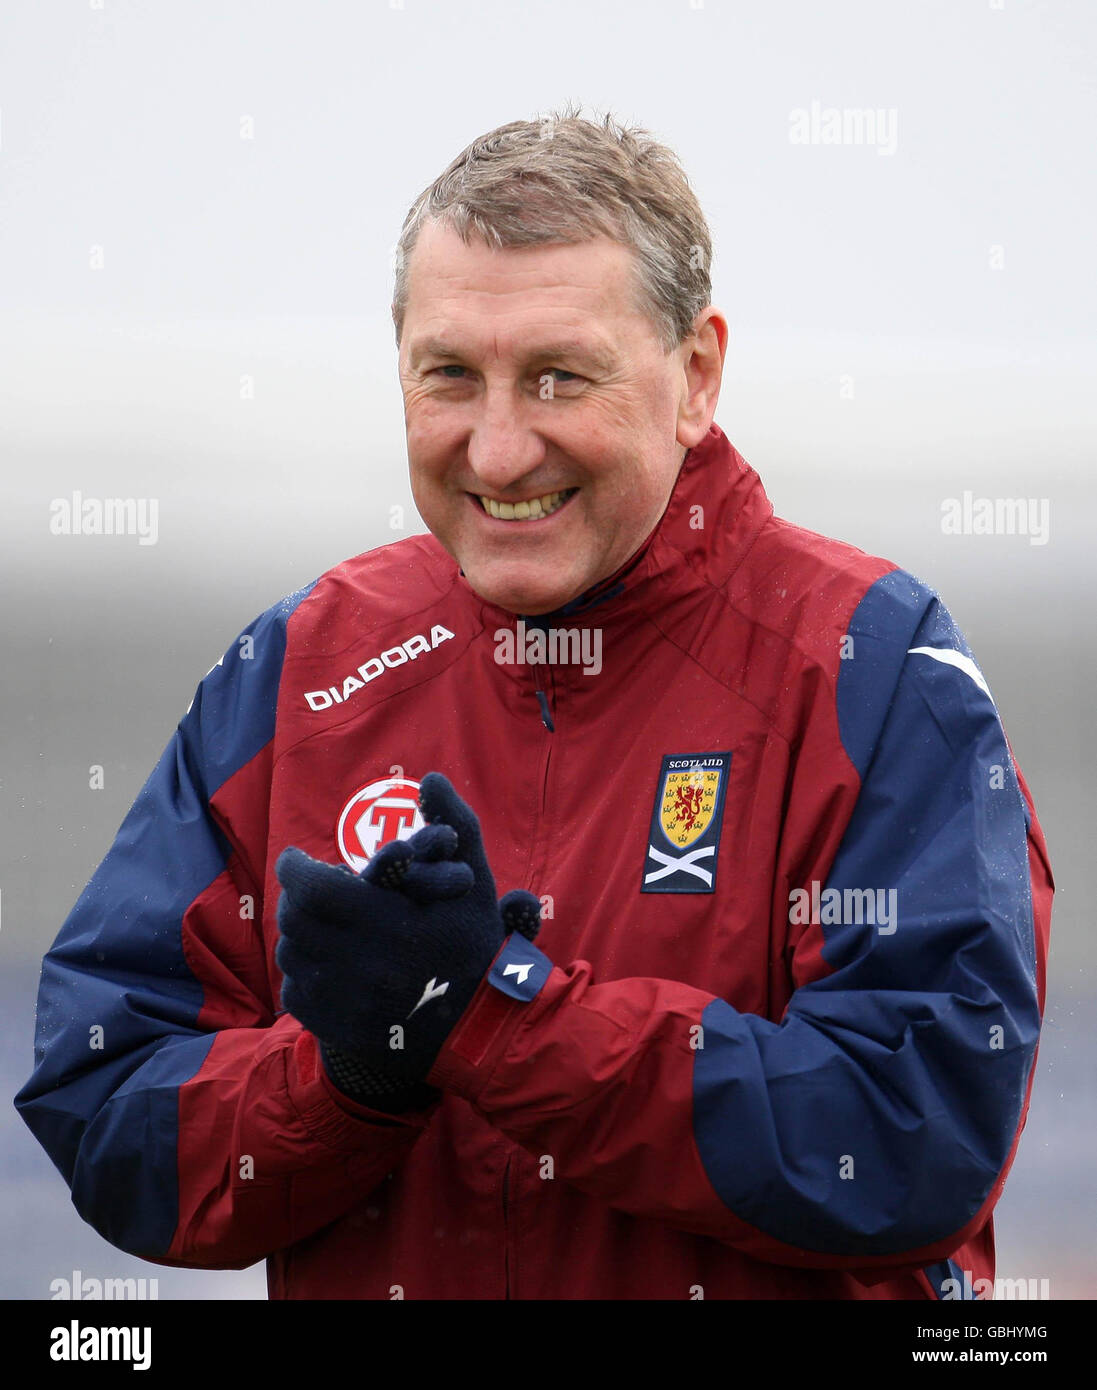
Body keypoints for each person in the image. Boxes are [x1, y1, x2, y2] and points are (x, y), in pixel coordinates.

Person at [15, 109, 1053, 1300]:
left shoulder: (869, 665)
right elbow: (101, 1101)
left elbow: (913, 1137)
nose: (498, 451)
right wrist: (354, 1073)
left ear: (694, 376)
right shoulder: (300, 667)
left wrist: (491, 1017)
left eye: (558, 376)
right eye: (450, 374)